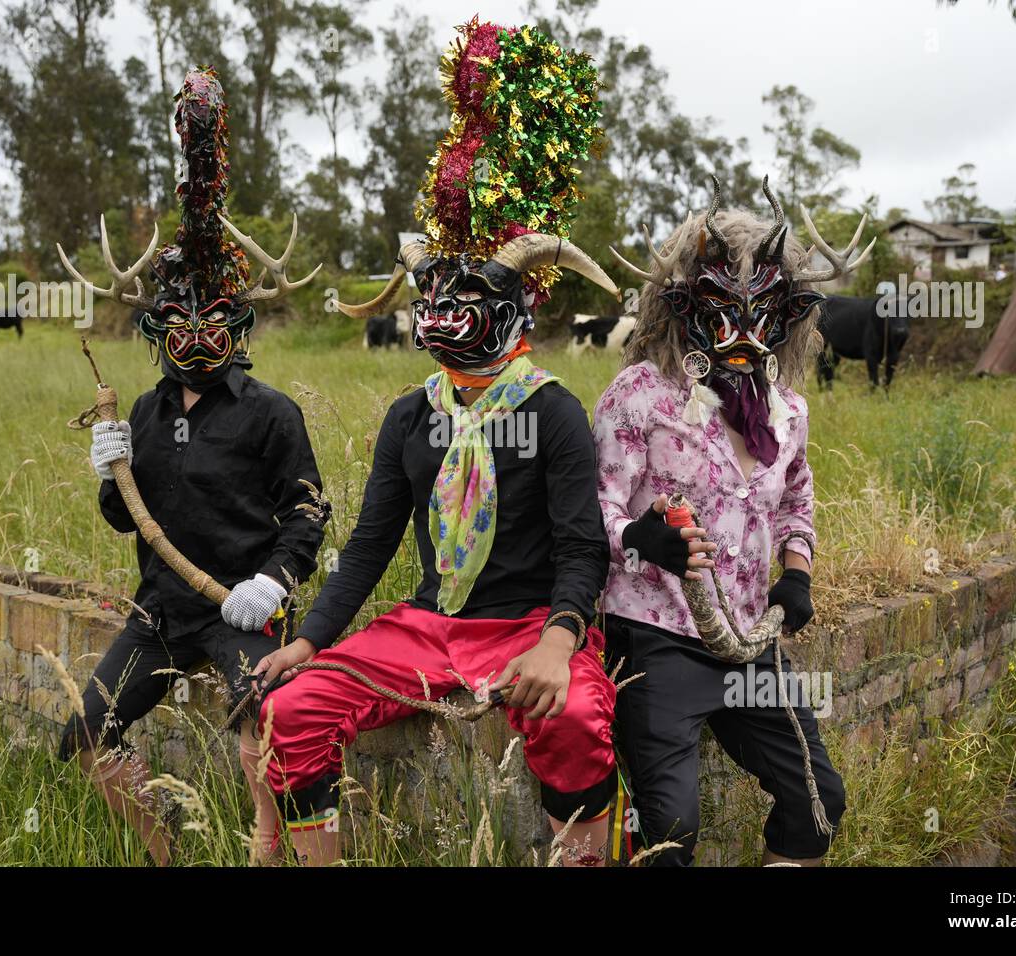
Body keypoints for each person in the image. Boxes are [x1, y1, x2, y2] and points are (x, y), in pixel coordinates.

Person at [250, 18, 622, 866]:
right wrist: (311, 635)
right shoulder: (409, 415)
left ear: (518, 311)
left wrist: (561, 641)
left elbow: (581, 543)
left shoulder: (555, 410)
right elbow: (370, 542)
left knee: (572, 715)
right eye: (434, 297)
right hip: (429, 629)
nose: (446, 313)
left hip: (528, 623)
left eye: (471, 296)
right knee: (293, 707)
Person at [56, 68, 325, 865]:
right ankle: (164, 848)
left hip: (239, 609)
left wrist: (272, 584)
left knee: (265, 725)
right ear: (157, 325)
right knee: (85, 731)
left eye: (215, 320)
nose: (197, 336)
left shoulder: (272, 411)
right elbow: (120, 519)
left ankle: (264, 852)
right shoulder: (141, 410)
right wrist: (111, 474)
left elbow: (309, 511)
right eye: (181, 319)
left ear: (238, 326)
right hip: (161, 610)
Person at [593, 177, 861, 866]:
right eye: (722, 303)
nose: (742, 323)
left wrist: (795, 576)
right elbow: (593, 506)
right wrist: (635, 538)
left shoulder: (787, 410)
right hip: (655, 640)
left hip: (749, 644)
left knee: (818, 804)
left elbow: (798, 500)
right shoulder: (640, 395)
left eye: (762, 306)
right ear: (684, 302)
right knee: (671, 832)